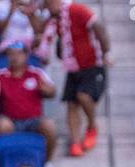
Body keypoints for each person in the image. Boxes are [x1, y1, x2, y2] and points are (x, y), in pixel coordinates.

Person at [43, 0, 110, 158]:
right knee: (71, 104)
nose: (46, 8)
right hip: (73, 66)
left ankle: (92, 126)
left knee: (83, 96)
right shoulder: (56, 19)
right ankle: (75, 141)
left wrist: (106, 52)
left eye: (48, 4)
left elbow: (98, 26)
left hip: (91, 63)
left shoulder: (76, 9)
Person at [0, 41, 58, 167]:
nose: (14, 57)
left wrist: (46, 90)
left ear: (25, 55)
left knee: (49, 126)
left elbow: (52, 91)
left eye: (18, 54)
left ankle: (47, 163)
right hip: (10, 119)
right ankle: (2, 163)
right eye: (11, 54)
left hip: (34, 120)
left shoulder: (36, 73)